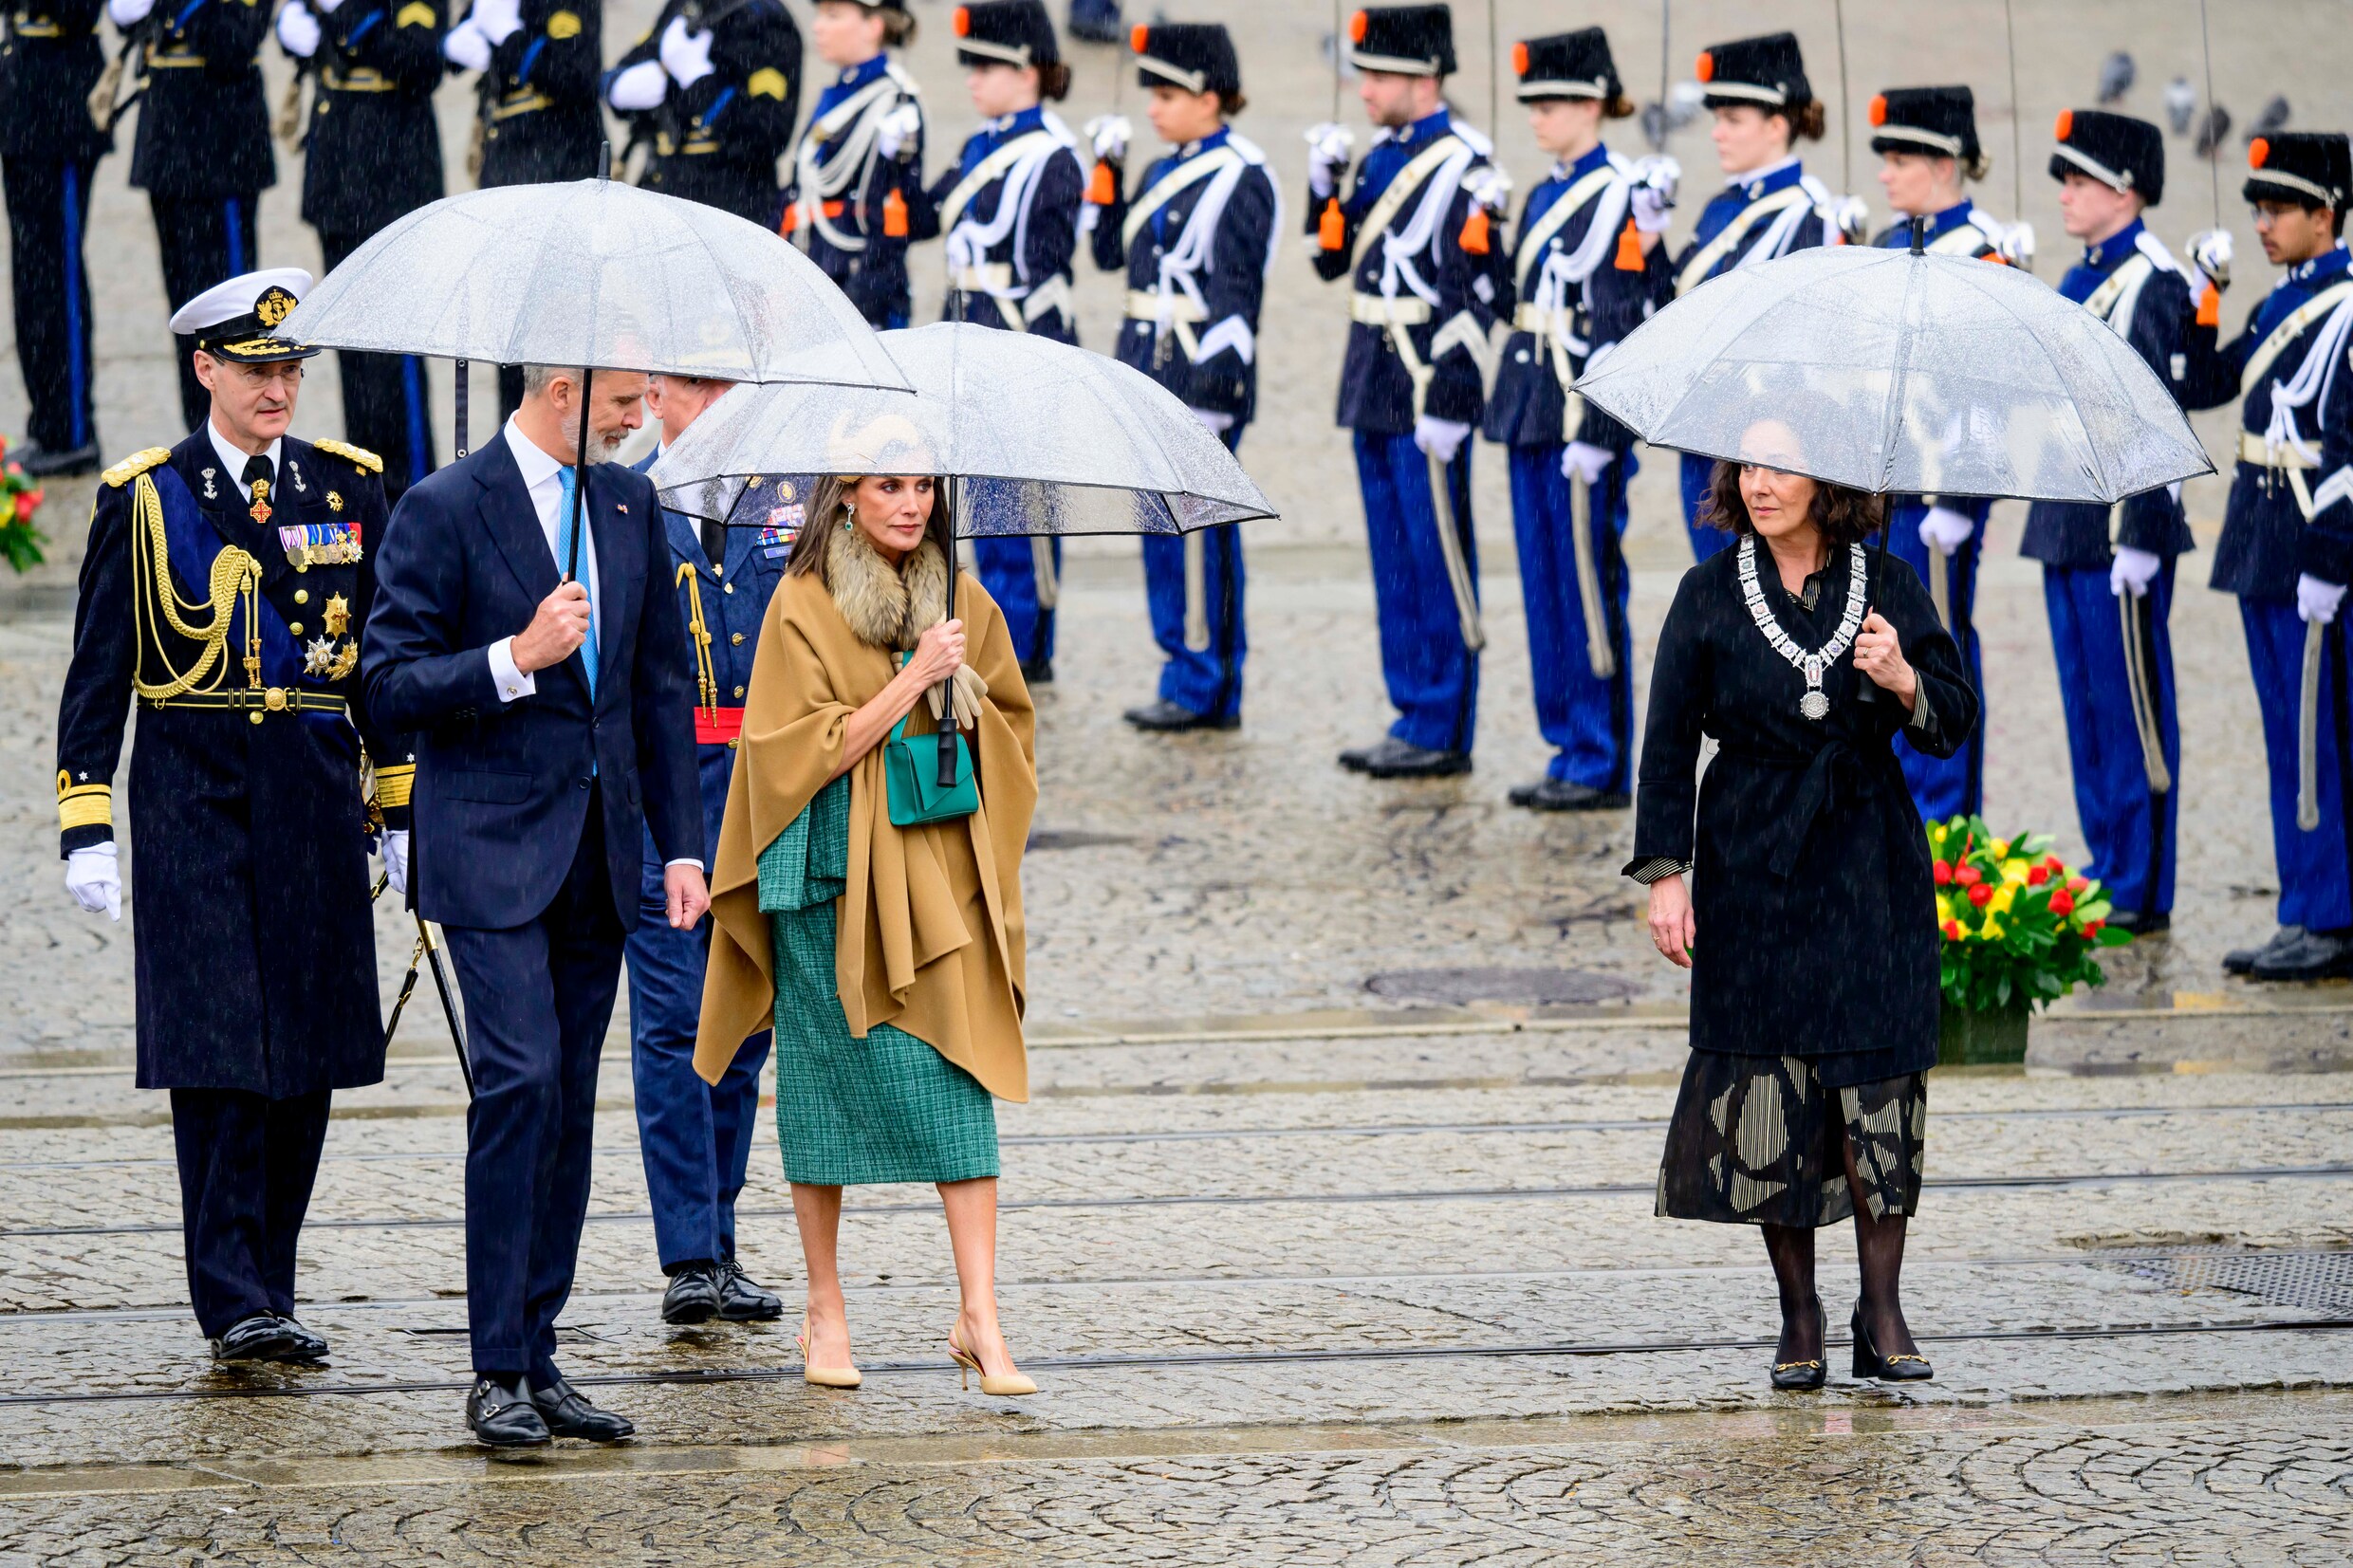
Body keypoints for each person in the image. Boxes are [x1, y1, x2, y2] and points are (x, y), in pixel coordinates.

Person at [54, 269, 406, 1364]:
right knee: (217, 1053)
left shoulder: (347, 489)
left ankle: (274, 1282)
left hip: (309, 797)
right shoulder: (149, 495)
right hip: (191, 795)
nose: (278, 390)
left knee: (302, 1052)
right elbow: (97, 671)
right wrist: (86, 818)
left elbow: (377, 671)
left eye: (290, 370)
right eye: (256, 370)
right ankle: (233, 1295)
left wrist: (396, 805)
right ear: (204, 368)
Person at [362, 364, 706, 1449]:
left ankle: (540, 1349)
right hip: (490, 850)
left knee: (564, 1105)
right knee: (520, 1081)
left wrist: (683, 848)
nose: (638, 413)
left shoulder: (627, 501)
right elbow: (385, 682)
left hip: (601, 858)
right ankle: (494, 1367)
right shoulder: (444, 505)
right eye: (621, 396)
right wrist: (514, 658)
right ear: (562, 385)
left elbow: (656, 688)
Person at [1629, 430, 1976, 1391]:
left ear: (1828, 479)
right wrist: (1667, 874)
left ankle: (1882, 1307)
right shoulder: (1706, 592)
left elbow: (1954, 718)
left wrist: (1900, 678)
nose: (1761, 483)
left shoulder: (1891, 584)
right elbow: (1664, 743)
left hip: (1868, 859)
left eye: (1781, 465)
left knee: (1875, 1088)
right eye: (1747, 467)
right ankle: (1799, 1317)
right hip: (1751, 862)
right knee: (1768, 1095)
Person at [695, 468, 1038, 1398]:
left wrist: (956, 692)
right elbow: (789, 752)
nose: (911, 502)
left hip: (934, 874)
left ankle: (981, 1316)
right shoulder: (799, 604)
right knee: (825, 1090)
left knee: (958, 1078)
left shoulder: (960, 596)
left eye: (923, 485)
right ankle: (826, 1307)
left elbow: (1010, 728)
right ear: (844, 495)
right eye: (888, 485)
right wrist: (912, 683)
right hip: (830, 875)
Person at [621, 373, 787, 1325]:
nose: (715, 400)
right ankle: (687, 1250)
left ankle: (720, 1232)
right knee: (674, 1021)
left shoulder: (790, 507)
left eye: (728, 381)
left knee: (749, 1019)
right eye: (693, 383)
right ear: (651, 394)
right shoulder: (626, 504)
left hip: (765, 793)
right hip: (666, 787)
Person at [1303, 4, 1497, 778]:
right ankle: (1411, 707)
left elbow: (1479, 292)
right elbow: (1330, 259)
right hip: (1373, 379)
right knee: (1392, 558)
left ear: (1423, 77)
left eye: (1377, 75)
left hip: (1426, 383)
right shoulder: (1379, 157)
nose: (1364, 90)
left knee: (1435, 554)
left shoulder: (1467, 164)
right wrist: (1323, 186)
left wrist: (1453, 396)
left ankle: (1444, 720)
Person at [2022, 109, 2198, 936]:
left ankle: (2141, 883)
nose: (2066, 193)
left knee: (2132, 714)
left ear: (2125, 192)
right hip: (2070, 520)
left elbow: (2161, 418)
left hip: (2121, 529)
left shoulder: (2154, 282)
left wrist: (2143, 532)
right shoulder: (2082, 276)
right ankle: (2108, 861)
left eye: (2080, 180)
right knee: (2088, 707)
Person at [2180, 134, 2353, 979]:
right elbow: (2206, 380)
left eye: (2279, 208)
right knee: (2288, 736)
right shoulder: (2281, 300)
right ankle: (2305, 904)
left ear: (2326, 214)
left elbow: (2348, 447)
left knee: (2318, 736)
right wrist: (2208, 295)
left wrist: (2330, 558)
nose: (2261, 222)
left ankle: (2328, 912)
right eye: (2257, 207)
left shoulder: (2347, 307)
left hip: (2312, 548)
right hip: (2264, 543)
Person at [1483, 28, 1664, 811]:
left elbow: (1626, 323)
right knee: (1544, 582)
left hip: (1578, 418)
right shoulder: (1544, 191)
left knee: (1588, 585)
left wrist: (1601, 431)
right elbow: (1511, 303)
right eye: (1532, 104)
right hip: (1531, 410)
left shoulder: (1623, 192)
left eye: (1551, 103)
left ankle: (1598, 752)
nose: (1537, 117)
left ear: (1593, 102)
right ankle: (1566, 741)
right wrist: (1487, 236)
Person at [1085, 20, 1275, 732]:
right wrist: (1104, 179)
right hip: (1146, 365)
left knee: (1200, 538)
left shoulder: (1240, 172)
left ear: (1209, 96)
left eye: (1167, 93)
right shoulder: (1160, 169)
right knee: (1161, 533)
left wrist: (1221, 393)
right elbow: (1110, 256)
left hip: (1198, 375)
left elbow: (1237, 288)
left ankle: (1207, 678)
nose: (1154, 107)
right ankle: (1180, 665)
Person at [905, 0, 1083, 680]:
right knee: (980, 504)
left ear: (1027, 70)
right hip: (970, 339)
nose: (973, 80)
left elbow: (1049, 256)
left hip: (1021, 340)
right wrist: (901, 161)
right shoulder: (980, 145)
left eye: (986, 67)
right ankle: (996, 633)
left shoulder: (1053, 154)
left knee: (1024, 511)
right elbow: (923, 217)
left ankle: (1028, 644)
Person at [1867, 85, 2015, 824]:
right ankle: (1895, 820)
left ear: (1945, 161)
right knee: (1878, 654)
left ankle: (1947, 825)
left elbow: (1995, 396)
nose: (1886, 175)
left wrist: (1961, 504)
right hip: (1879, 498)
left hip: (1938, 504)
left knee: (1938, 654)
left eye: (1900, 160)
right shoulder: (1890, 245)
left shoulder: (1984, 253)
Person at [1647, 32, 1850, 564]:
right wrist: (1646, 238)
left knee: (1767, 592)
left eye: (1733, 120)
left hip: (1764, 441)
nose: (1717, 134)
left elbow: (1821, 344)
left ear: (1777, 125)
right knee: (1717, 591)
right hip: (1703, 429)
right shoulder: (1719, 208)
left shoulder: (1812, 216)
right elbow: (1675, 308)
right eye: (1717, 120)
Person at [275, 0, 447, 501]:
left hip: (392, 178)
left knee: (394, 352)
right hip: (339, 174)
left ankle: (412, 487)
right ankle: (366, 479)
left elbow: (420, 64)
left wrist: (342, 18)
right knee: (351, 347)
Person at [107, 0, 275, 431]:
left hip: (221, 144)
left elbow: (232, 46)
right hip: (167, 138)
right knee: (186, 311)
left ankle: (243, 441)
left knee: (232, 315)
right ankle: (200, 440)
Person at [443, 0, 607, 420]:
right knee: (510, 350)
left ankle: (559, 463)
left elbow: (576, 77)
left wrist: (511, 39)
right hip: (508, 188)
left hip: (557, 191)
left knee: (557, 350)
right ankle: (514, 458)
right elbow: (455, 54)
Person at [1, 0, 108, 476]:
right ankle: (48, 422)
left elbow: (77, 10)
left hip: (60, 102)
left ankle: (73, 431)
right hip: (24, 100)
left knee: (57, 273)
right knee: (31, 276)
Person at [788, 0, 925, 329]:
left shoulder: (895, 101)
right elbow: (801, 186)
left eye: (833, 16)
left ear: (873, 26)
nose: (818, 26)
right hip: (816, 271)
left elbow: (892, 221)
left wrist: (856, 303)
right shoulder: (840, 91)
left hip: (858, 287)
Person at [604, 0, 801, 229]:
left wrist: (698, 80)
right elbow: (626, 66)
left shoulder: (764, 18)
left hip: (728, 213)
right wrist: (619, 88)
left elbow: (767, 133)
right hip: (660, 200)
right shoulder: (683, 7)